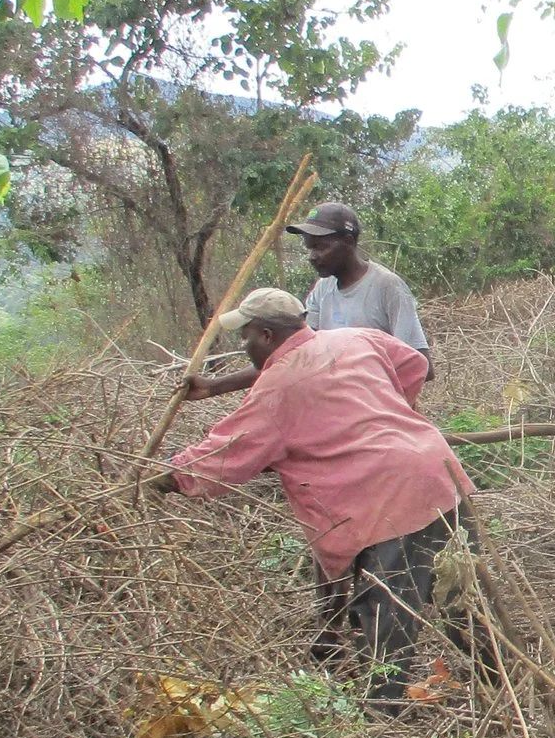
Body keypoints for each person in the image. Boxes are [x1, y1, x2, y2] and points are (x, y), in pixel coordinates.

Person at [146, 287, 473, 710]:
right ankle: (500, 681)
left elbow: (220, 458)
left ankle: (382, 721)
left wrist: (160, 476)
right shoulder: (356, 339)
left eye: (246, 336)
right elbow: (414, 364)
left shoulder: (275, 391)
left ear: (266, 335)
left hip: (384, 501)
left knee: (387, 617)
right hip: (439, 473)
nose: (244, 346)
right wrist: (386, 413)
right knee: (463, 596)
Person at [189, 202, 429, 398]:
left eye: (320, 247)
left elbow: (421, 366)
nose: (312, 257)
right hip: (336, 408)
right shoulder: (322, 291)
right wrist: (212, 386)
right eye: (309, 248)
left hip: (379, 413)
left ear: (348, 241)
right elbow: (293, 355)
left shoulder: (387, 287)